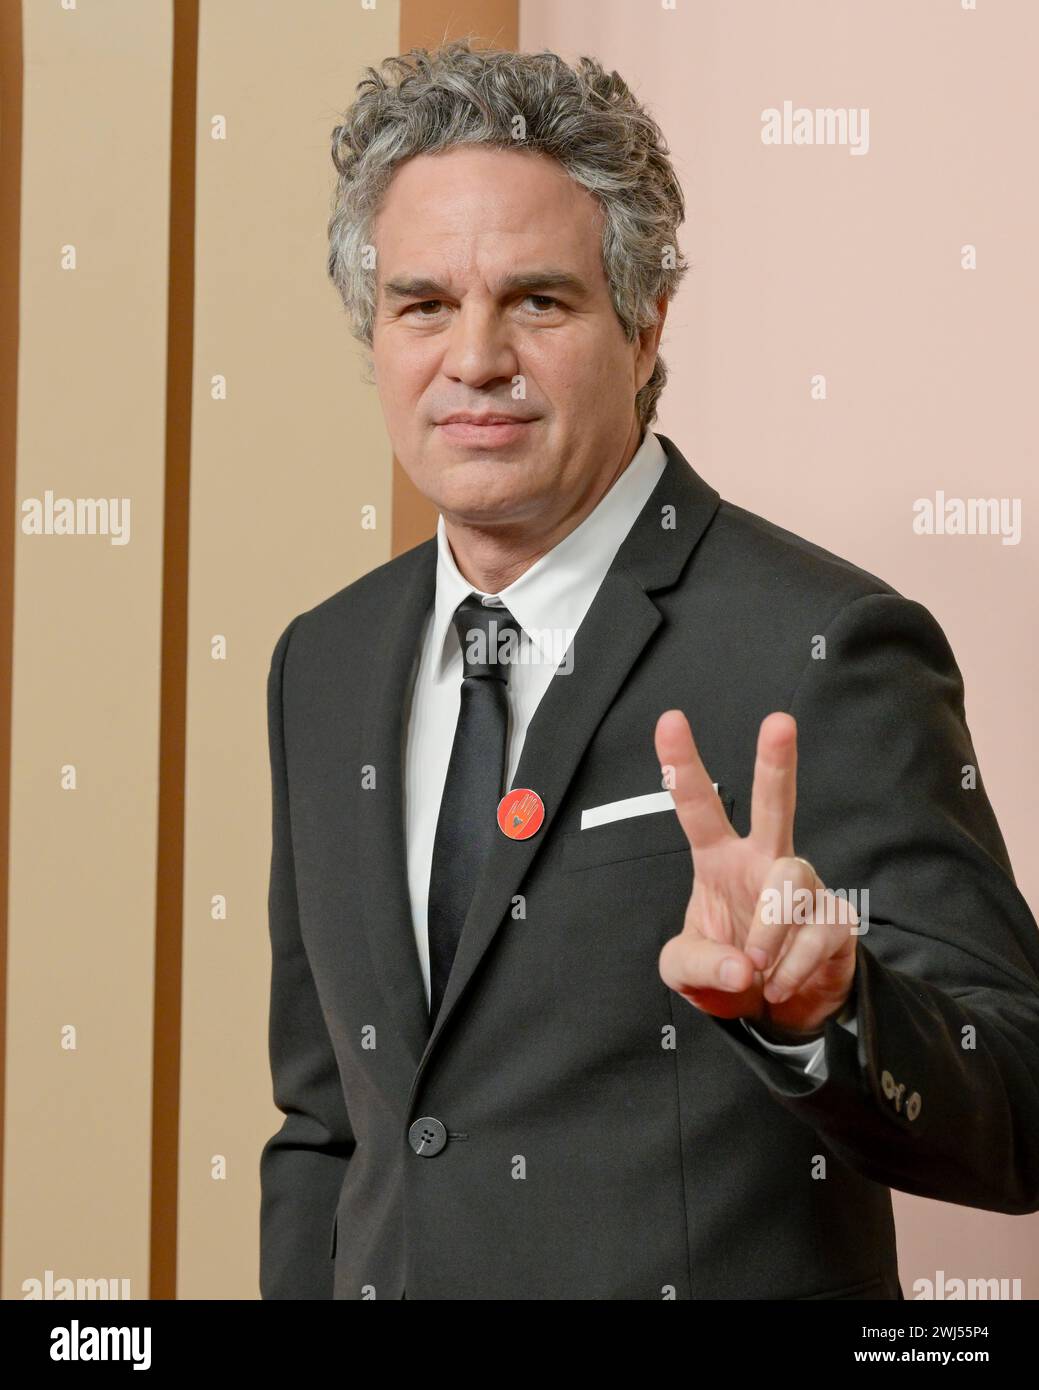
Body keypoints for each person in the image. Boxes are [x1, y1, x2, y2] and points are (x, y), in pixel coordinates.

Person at [259, 39, 1039, 1300]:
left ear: (643, 319)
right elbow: (329, 1123)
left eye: (538, 300)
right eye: (422, 305)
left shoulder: (823, 643)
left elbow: (1018, 1090)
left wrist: (825, 1014)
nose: (474, 359)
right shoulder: (322, 662)